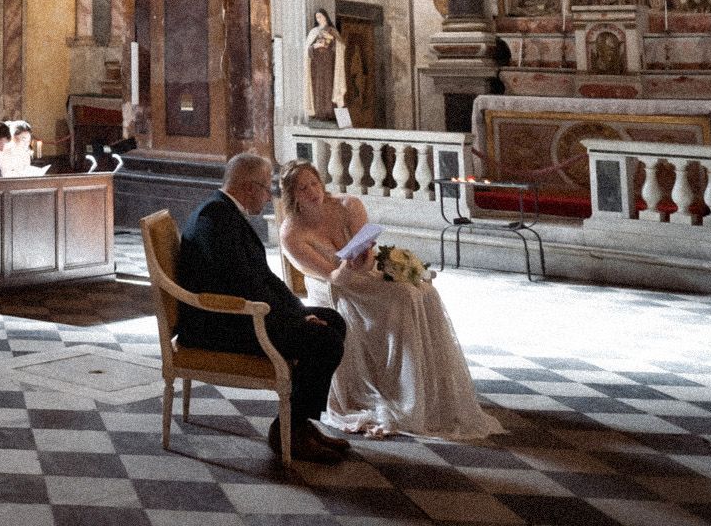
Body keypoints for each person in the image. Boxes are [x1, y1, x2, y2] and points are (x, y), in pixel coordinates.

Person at [279, 159, 501, 441]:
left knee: (424, 291)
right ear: (292, 195)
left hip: (365, 274)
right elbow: (335, 278)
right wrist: (349, 267)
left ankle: (429, 390)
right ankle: (402, 394)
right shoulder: (292, 233)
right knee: (404, 297)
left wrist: (364, 257)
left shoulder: (348, 205)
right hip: (334, 287)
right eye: (302, 188)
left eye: (314, 183)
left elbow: (368, 255)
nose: (312, 191)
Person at [177, 153, 349, 465]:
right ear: (247, 187)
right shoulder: (215, 219)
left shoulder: (224, 212)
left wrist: (299, 313)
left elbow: (263, 278)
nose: (269, 197)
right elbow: (242, 284)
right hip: (220, 325)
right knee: (324, 341)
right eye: (265, 188)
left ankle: (297, 423)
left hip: (240, 314)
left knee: (333, 321)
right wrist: (297, 319)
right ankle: (288, 430)